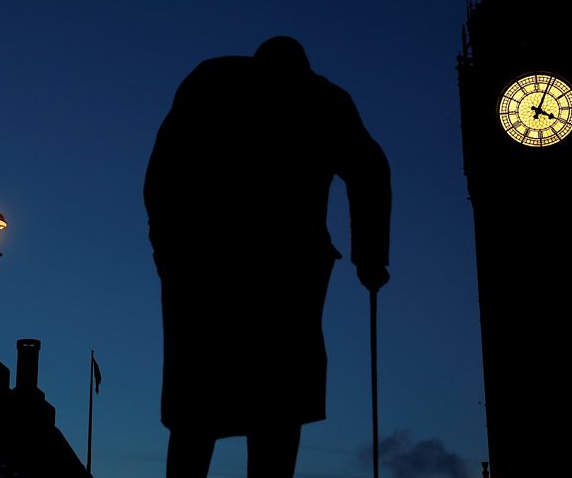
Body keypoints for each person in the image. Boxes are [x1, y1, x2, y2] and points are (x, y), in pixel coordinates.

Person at [144, 36, 392, 478]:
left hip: (206, 269)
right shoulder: (323, 99)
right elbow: (370, 170)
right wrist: (369, 258)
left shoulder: (210, 82)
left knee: (200, 407)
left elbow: (163, 171)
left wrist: (169, 247)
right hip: (282, 272)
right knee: (276, 408)